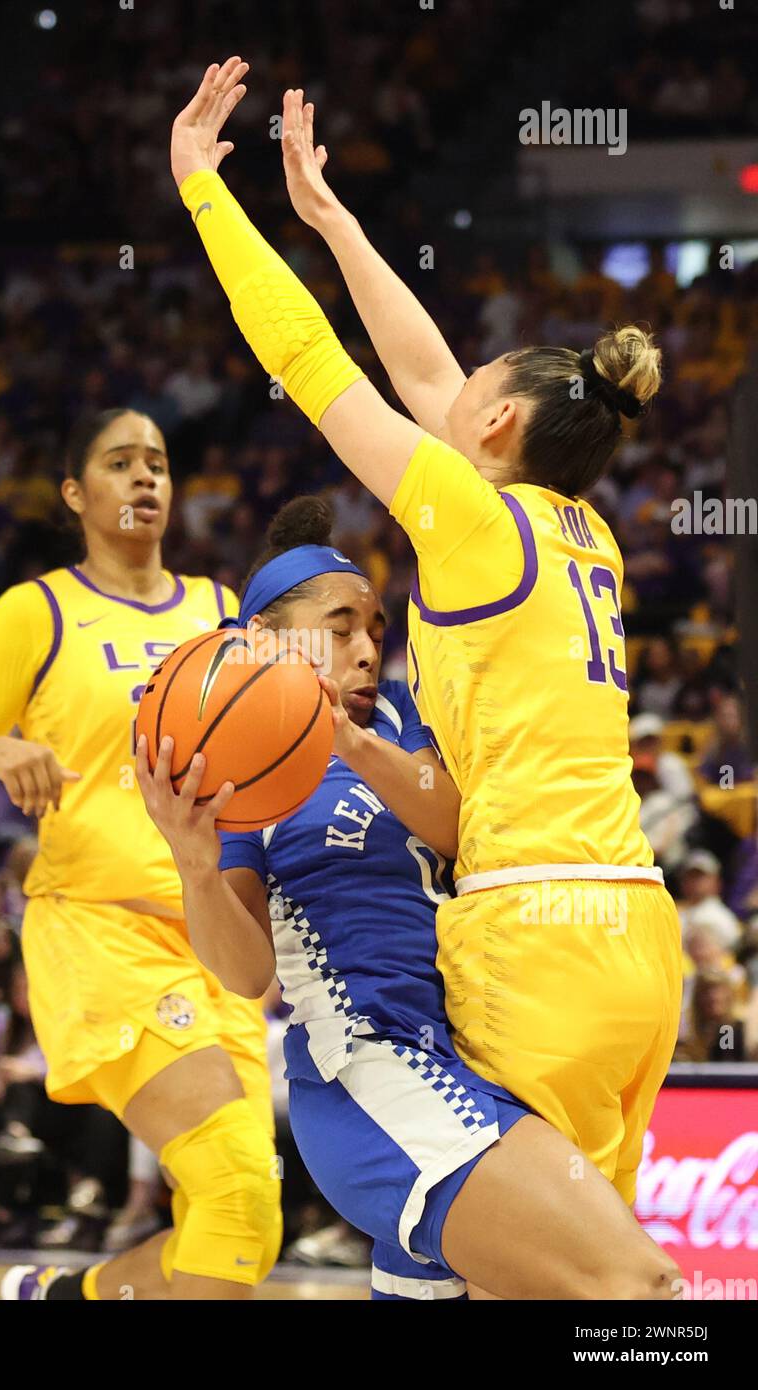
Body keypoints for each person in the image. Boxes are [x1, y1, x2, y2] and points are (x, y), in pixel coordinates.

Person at [168, 59, 682, 1214]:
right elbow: (421, 368)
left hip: (534, 930)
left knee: (532, 1281)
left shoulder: (472, 517)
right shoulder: (580, 528)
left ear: (494, 424)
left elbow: (314, 364)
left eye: (476, 381)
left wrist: (204, 187)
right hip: (636, 933)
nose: (448, 382)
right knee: (598, 1272)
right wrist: (334, 219)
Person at [137, 495, 680, 1299]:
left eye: (377, 629)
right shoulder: (246, 778)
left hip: (486, 1057)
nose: (366, 650)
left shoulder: (404, 717)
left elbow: (463, 826)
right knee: (636, 1288)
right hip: (375, 1071)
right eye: (340, 627)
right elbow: (244, 974)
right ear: (263, 640)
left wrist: (350, 742)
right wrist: (194, 861)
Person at [0, 407, 281, 1300]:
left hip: (213, 946)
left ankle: (57, 1297)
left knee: (240, 1230)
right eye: (121, 462)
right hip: (98, 936)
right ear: (77, 494)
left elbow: (267, 776)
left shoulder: (224, 612)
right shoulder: (32, 613)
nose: (147, 478)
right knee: (233, 1182)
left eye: (157, 463)